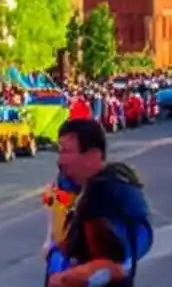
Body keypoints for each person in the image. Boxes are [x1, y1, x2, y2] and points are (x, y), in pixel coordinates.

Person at [47, 119, 153, 287]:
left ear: (92, 156)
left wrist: (62, 277)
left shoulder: (105, 196)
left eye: (66, 152)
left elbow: (116, 265)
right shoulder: (80, 187)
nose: (60, 161)